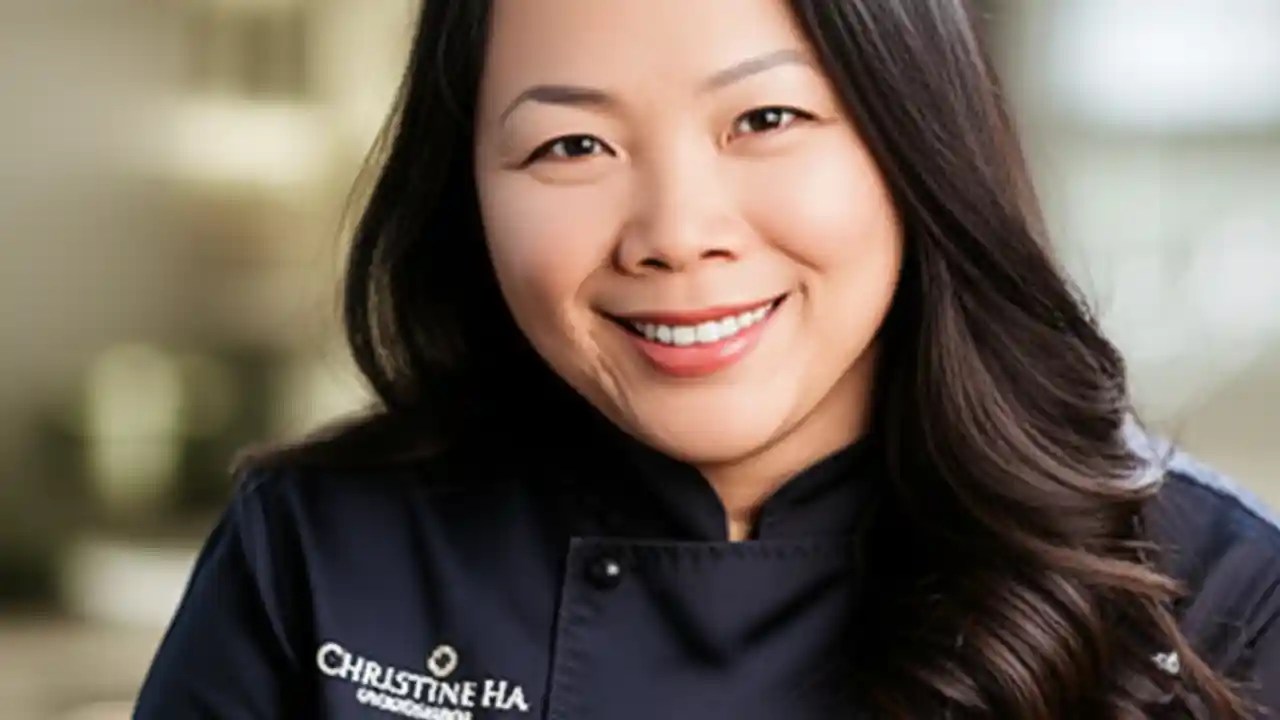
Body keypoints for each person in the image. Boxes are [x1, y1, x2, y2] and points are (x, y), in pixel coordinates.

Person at [134, 0, 1280, 717]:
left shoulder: (1217, 597)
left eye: (765, 121)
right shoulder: (321, 551)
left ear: (912, 139)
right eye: (570, 143)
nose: (677, 232)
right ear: (466, 192)